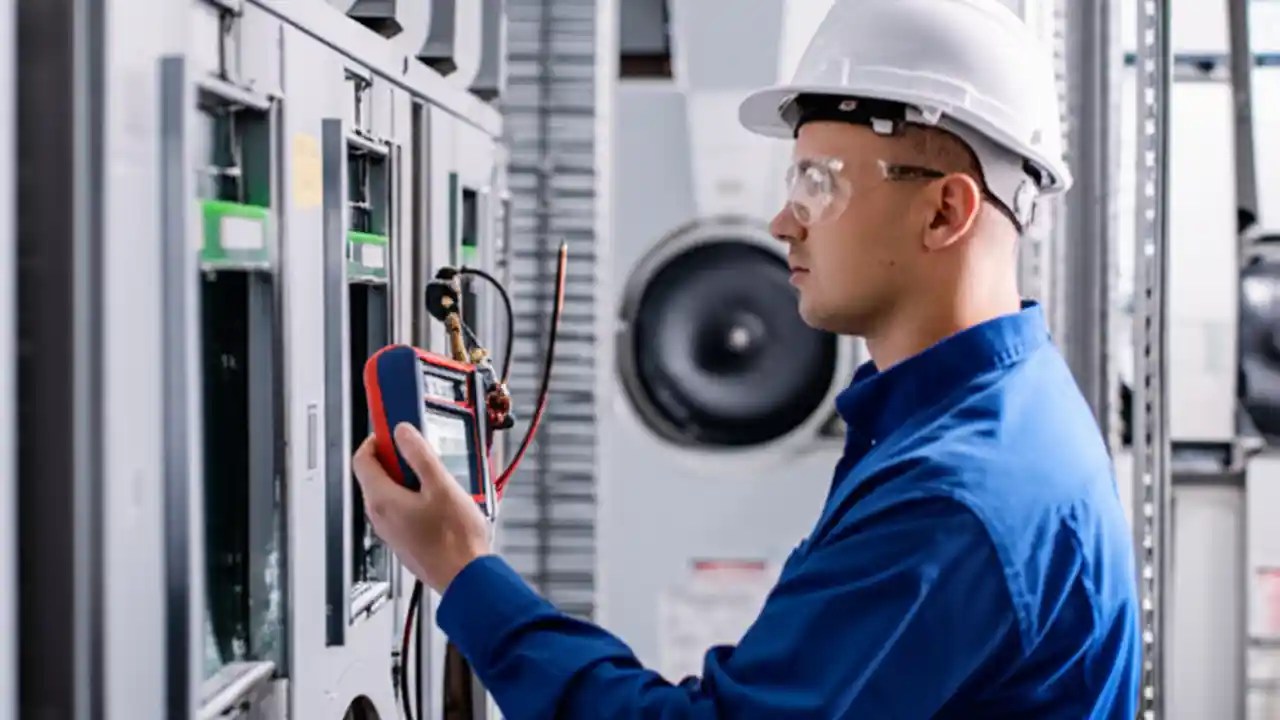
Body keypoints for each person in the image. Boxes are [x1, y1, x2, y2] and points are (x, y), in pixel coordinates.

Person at [352, 0, 1142, 716]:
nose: (782, 223)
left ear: (944, 211)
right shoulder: (1000, 413)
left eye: (817, 184)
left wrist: (463, 571)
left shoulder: (954, 498)